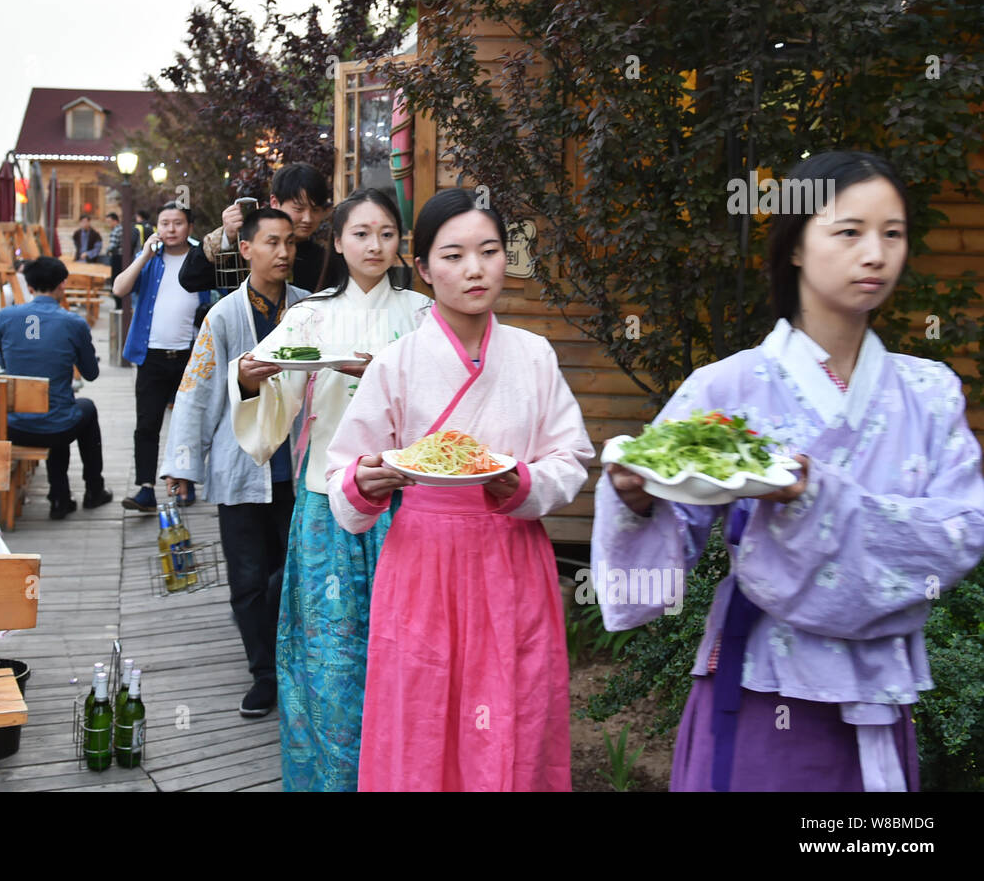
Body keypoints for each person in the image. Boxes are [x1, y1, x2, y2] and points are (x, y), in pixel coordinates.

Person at [592, 151, 984, 792]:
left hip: (879, 695)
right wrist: (638, 501)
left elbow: (962, 532)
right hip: (760, 682)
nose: (876, 253)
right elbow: (648, 586)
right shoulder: (726, 387)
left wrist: (819, 499)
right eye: (849, 231)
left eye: (893, 233)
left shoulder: (931, 391)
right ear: (796, 245)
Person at [325, 189, 594, 791]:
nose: (474, 269)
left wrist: (520, 483)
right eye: (453, 255)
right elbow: (342, 476)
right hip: (423, 559)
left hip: (511, 554)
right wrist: (365, 482)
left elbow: (571, 456)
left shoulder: (534, 356)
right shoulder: (397, 362)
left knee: (515, 709)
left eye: (490, 251)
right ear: (421, 268)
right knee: (422, 714)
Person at [230, 188, 431, 789]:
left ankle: (403, 773)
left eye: (387, 234)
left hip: (410, 505)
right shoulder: (307, 318)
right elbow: (272, 419)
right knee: (328, 656)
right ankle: (332, 777)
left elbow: (447, 419)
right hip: (326, 505)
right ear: (337, 241)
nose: (375, 245)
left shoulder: (424, 318)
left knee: (408, 653)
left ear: (401, 244)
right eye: (362, 234)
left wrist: (386, 379)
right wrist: (248, 381)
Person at [163, 207, 309, 717]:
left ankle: (287, 657)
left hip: (297, 468)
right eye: (271, 242)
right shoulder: (222, 316)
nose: (284, 252)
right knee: (248, 578)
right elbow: (197, 391)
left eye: (289, 242)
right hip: (240, 465)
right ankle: (263, 672)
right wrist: (184, 465)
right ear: (245, 249)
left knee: (288, 571)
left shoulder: (310, 309)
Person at [113, 202, 212, 512]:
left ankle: (185, 481)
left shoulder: (202, 258)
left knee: (189, 422)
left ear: (190, 227)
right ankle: (145, 488)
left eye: (178, 223)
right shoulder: (151, 260)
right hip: (152, 354)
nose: (171, 229)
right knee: (147, 424)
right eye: (165, 223)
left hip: (191, 355)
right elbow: (119, 289)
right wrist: (143, 254)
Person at [0, 257, 111, 519]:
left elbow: (3, 363)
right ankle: (93, 489)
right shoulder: (73, 322)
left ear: (30, 286)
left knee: (56, 409)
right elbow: (91, 374)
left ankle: (60, 497)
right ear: (62, 285)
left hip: (14, 425)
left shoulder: (5, 316)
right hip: (57, 425)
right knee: (81, 410)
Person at [179, 163, 332, 293]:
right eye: (298, 209)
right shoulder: (247, 248)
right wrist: (226, 236)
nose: (308, 218)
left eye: (316, 210)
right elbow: (190, 279)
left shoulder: (326, 260)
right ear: (275, 202)